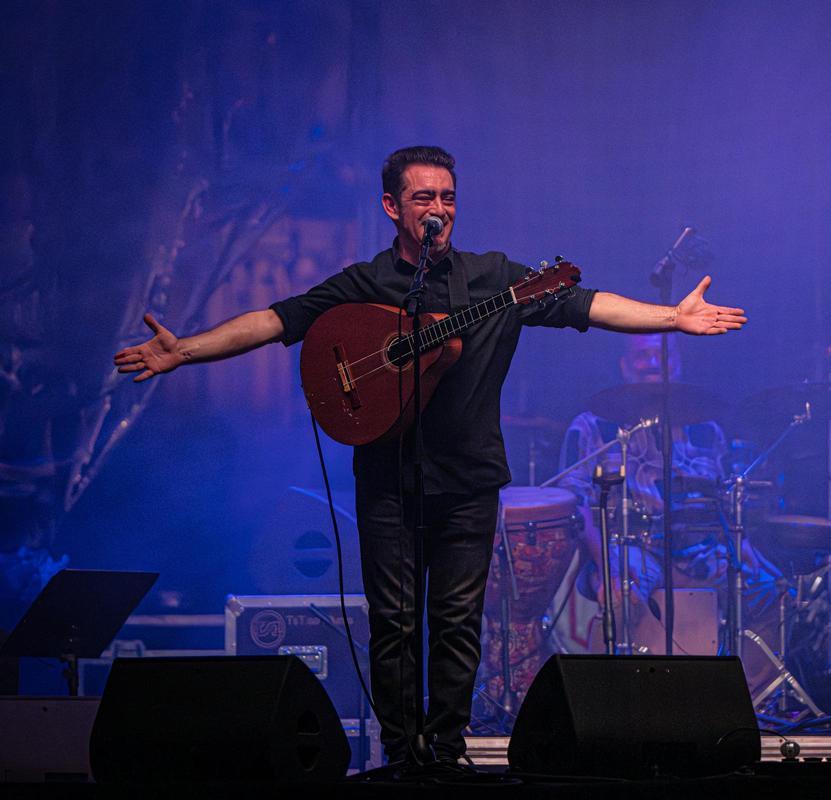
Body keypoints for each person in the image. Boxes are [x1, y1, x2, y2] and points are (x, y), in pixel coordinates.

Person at [113, 146, 747, 768]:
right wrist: (185, 351)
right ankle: (400, 753)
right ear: (393, 206)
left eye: (447, 197)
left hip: (469, 481)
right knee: (392, 623)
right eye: (424, 197)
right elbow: (277, 320)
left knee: (455, 623)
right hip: (387, 479)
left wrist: (673, 316)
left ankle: (445, 751)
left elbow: (588, 304)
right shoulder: (366, 284)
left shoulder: (496, 278)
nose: (438, 208)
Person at [555, 334, 780, 656]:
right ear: (625, 366)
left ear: (677, 364)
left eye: (663, 356)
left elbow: (717, 499)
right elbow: (574, 504)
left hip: (695, 550)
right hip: (627, 547)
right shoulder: (593, 426)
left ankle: (750, 694)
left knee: (769, 588)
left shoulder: (706, 429)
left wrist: (739, 544)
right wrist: (606, 567)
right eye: (642, 356)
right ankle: (614, 694)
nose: (653, 363)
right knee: (623, 596)